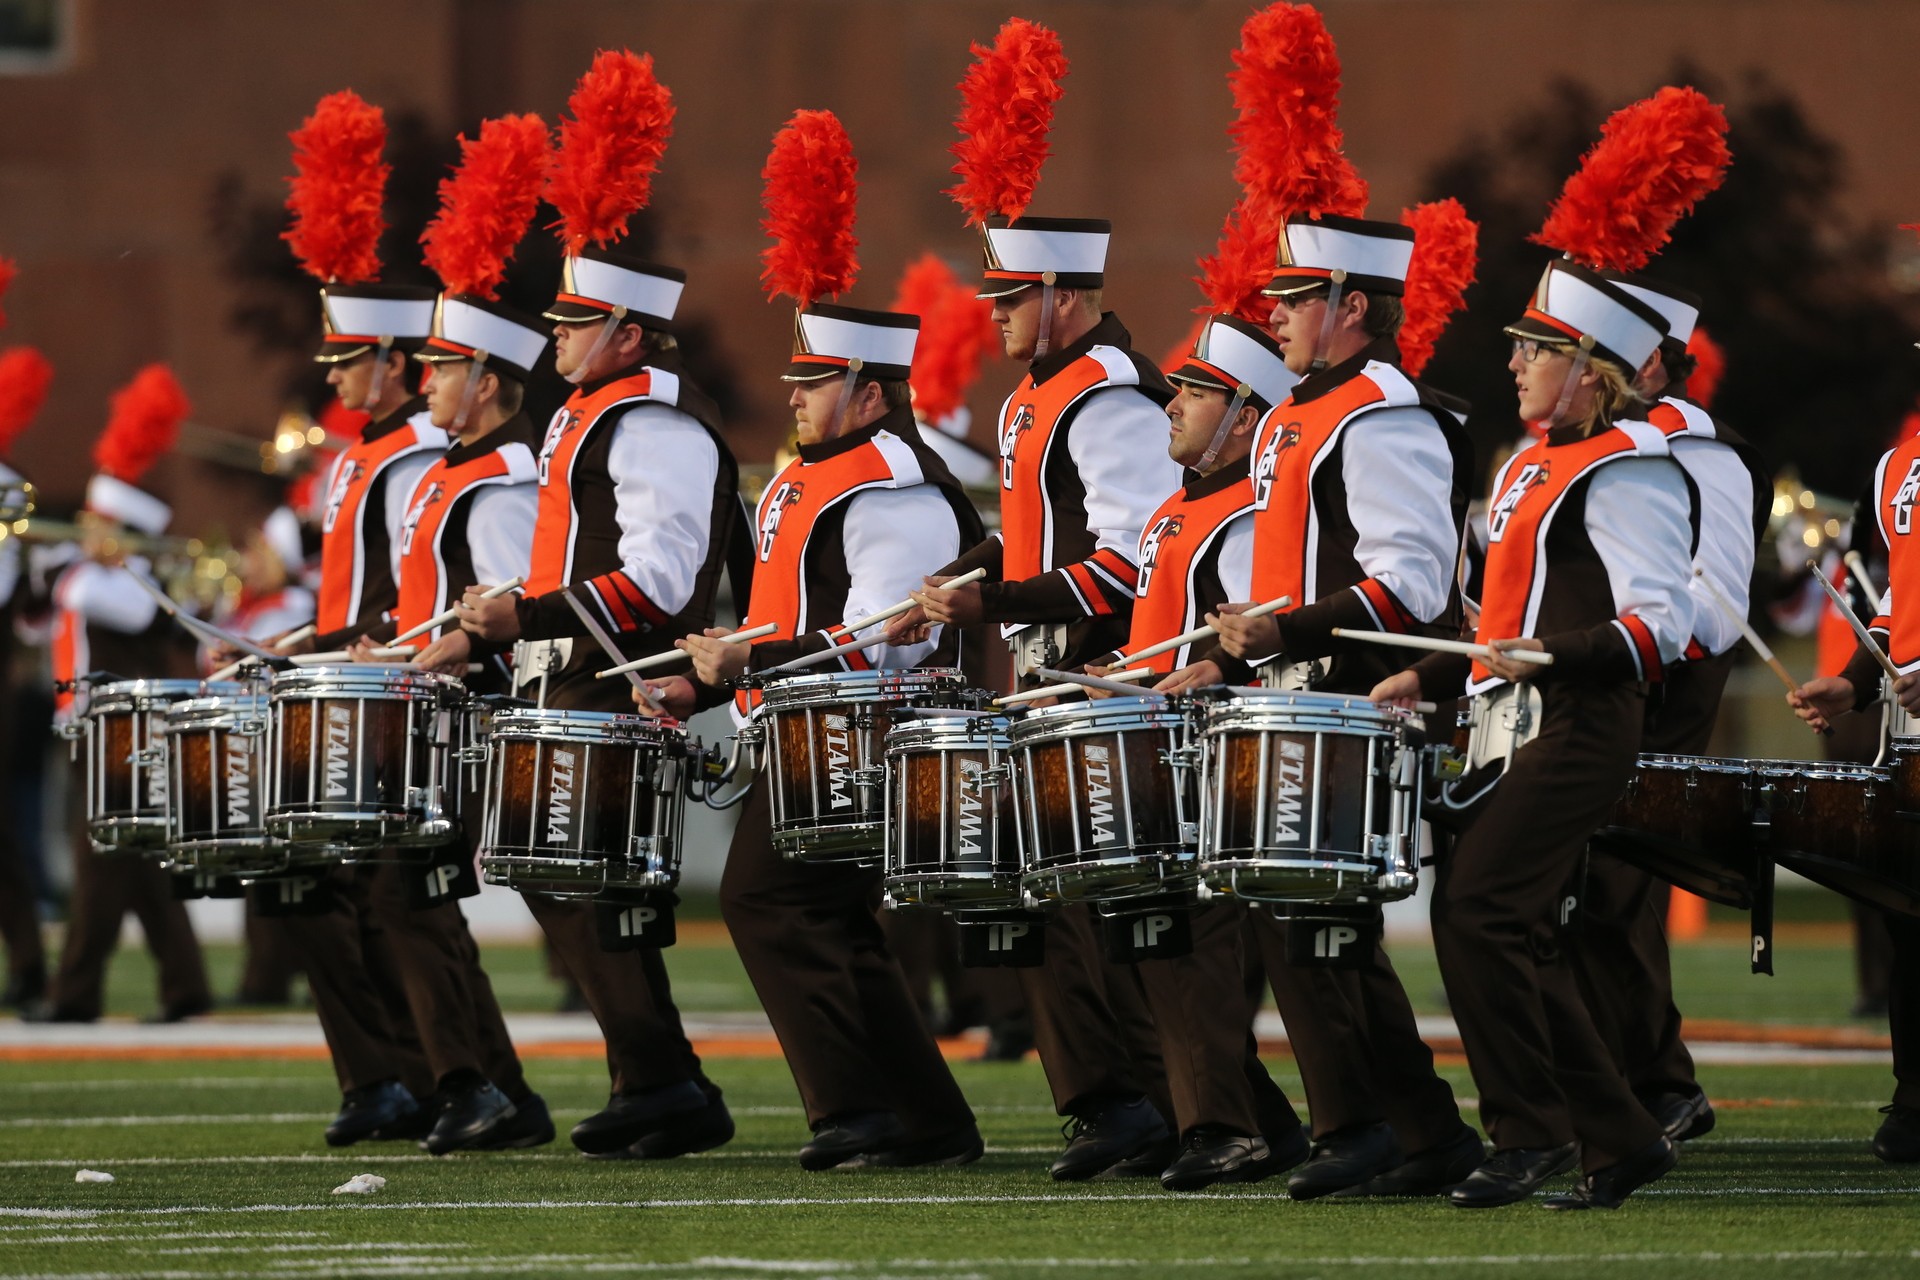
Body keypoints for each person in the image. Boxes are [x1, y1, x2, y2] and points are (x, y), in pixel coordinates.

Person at [1160, 214, 1483, 1200]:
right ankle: (1416, 1126)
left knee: (1317, 922)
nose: (1279, 314)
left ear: (1353, 308)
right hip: (1293, 692)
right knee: (1299, 919)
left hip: (1356, 696)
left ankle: (1367, 1125)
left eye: (1298, 299)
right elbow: (1300, 570)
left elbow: (1413, 583)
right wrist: (1233, 649)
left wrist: (1283, 634)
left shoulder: (1381, 412)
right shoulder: (1310, 409)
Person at [1374, 258, 1693, 1208]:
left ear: (1590, 371)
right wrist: (1429, 672)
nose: (1514, 362)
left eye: (1536, 350)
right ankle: (1616, 1136)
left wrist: (1550, 655)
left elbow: (1659, 625)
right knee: (1485, 922)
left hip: (1582, 723)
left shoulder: (1632, 464)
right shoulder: (1525, 465)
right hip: (1509, 723)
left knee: (1481, 914)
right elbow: (1489, 619)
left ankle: (1534, 1133)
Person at [642, 299, 985, 1169]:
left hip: (865, 735)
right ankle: (926, 1120)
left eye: (816, 381)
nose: (793, 394)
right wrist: (702, 686)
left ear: (870, 393)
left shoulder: (894, 482)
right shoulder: (811, 473)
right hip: (810, 734)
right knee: (830, 920)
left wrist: (742, 669)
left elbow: (886, 633)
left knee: (768, 901)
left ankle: (855, 1109)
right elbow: (786, 617)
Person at [888, 214, 1183, 1180]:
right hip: (1044, 675)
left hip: (1104, 676)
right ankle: (1108, 1101)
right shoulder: (1036, 396)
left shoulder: (1110, 395)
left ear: (1064, 295)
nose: (1001, 314)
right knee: (1032, 897)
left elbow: (1133, 560)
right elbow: (1028, 534)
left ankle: (1160, 1101)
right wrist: (949, 578)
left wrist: (997, 598)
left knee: (1101, 904)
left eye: (1014, 298)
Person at [456, 244, 740, 1159]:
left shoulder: (656, 424)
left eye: (577, 323)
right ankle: (659, 1078)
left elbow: (662, 572)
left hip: (621, 665)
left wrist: (528, 611)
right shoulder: (590, 415)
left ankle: (662, 1079)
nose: (557, 337)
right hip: (569, 660)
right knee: (555, 872)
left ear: (628, 332)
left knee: (592, 877)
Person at [1085, 314, 1313, 1190]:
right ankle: (1259, 1124)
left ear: (1247, 415)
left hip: (1222, 756)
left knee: (1196, 949)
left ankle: (1228, 1128)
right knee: (1147, 944)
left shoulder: (1255, 513)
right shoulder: (1174, 510)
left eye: (1196, 392)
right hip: (1161, 746)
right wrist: (1130, 670)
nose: (1171, 404)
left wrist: (1206, 668)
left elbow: (1256, 631)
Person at [332, 287, 554, 1155]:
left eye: (444, 367)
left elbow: (501, 612)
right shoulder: (452, 470)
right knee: (405, 892)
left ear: (489, 382)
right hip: (425, 716)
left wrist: (453, 647)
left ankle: (479, 1085)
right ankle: (489, 1089)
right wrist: (383, 647)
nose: (424, 380)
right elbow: (431, 608)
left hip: (471, 723)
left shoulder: (501, 482)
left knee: (405, 888)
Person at [1572, 273, 1770, 1143]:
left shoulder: (1697, 447)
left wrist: (1625, 651)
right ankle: (1627, 1079)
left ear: (1649, 360)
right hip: (1593, 676)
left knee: (1616, 887)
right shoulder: (1597, 441)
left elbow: (1717, 597)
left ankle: (1656, 1084)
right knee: (1583, 886)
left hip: (1660, 682)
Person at [28, 367, 213, 1026]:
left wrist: (86, 561)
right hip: (93, 730)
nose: (84, 528)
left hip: (125, 733)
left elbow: (100, 603)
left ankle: (74, 994)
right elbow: (36, 617)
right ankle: (185, 984)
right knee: (138, 867)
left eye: (99, 520)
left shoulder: (129, 585)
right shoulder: (85, 577)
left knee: (100, 860)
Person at [1786, 396, 1920, 1167]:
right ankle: (1916, 1096)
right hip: (1909, 724)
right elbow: (1901, 602)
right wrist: (1853, 682)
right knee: (1910, 909)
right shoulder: (1897, 466)